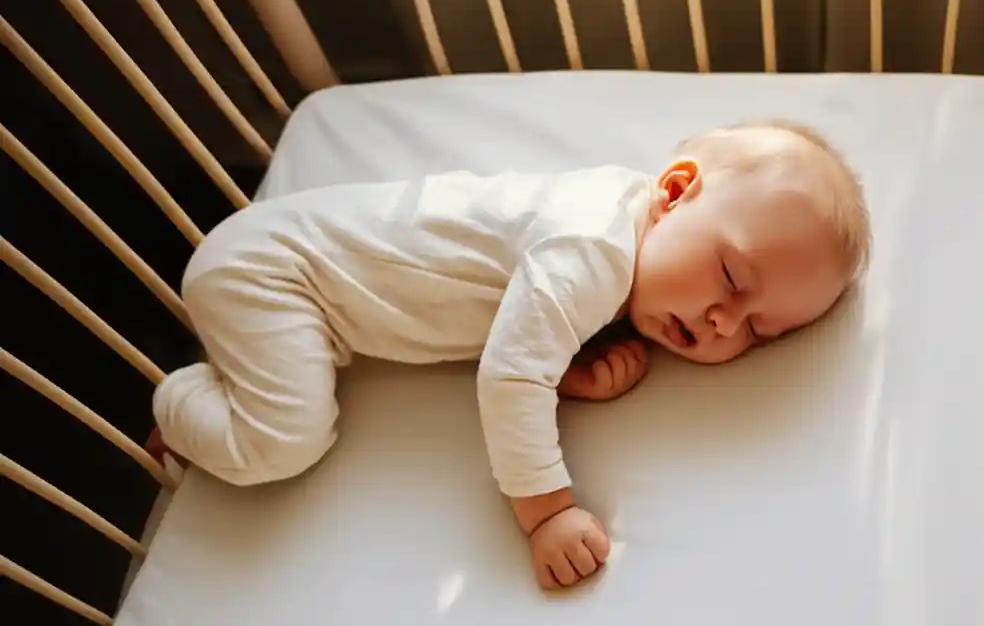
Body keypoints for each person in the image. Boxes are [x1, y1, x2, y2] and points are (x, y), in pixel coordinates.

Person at [147, 119, 870, 589]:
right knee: (284, 443)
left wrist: (574, 366)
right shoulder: (590, 248)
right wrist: (548, 512)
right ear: (676, 192)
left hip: (305, 285)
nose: (722, 321)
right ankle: (180, 404)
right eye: (733, 278)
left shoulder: (624, 237)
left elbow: (526, 325)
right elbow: (510, 375)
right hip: (275, 277)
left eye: (758, 331)